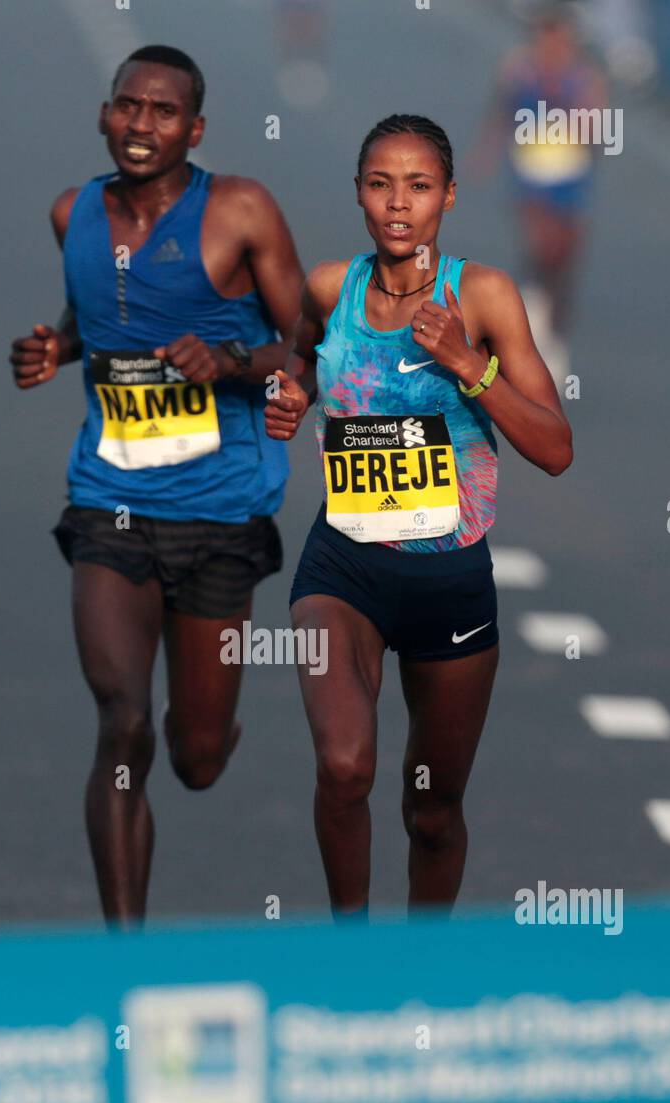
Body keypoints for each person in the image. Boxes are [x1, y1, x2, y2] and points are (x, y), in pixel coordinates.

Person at [10, 46, 303, 926]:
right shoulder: (74, 214)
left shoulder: (241, 210)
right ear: (105, 115)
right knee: (123, 722)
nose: (142, 125)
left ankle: (204, 729)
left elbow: (316, 347)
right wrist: (53, 351)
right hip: (110, 503)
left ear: (195, 129)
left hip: (221, 510)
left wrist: (231, 362)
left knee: (195, 757)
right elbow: (93, 324)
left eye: (163, 112)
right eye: (128, 107)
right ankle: (124, 954)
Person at [265, 113, 572, 920]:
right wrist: (292, 393)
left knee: (431, 813)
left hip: (451, 581)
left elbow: (554, 448)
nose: (398, 204)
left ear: (449, 198)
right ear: (360, 194)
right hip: (344, 566)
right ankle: (354, 955)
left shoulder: (484, 295)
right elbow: (297, 353)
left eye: (420, 186)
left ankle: (422, 971)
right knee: (343, 764)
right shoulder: (334, 287)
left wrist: (471, 366)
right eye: (380, 184)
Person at [468, 4, 607, 385]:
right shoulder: (518, 69)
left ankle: (555, 331)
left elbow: (598, 126)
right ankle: (533, 315)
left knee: (565, 258)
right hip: (530, 172)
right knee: (540, 245)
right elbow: (499, 113)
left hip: (571, 175)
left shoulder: (583, 77)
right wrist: (487, 154)